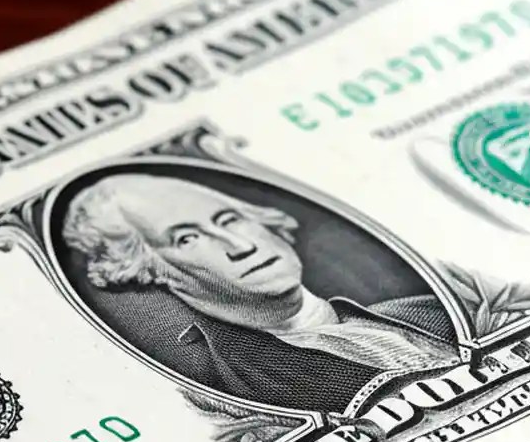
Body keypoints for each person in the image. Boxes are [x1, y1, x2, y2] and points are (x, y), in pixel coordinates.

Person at [62, 174, 457, 415]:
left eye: (229, 219)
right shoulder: (230, 391)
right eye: (188, 238)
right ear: (143, 268)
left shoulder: (431, 312)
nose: (239, 244)